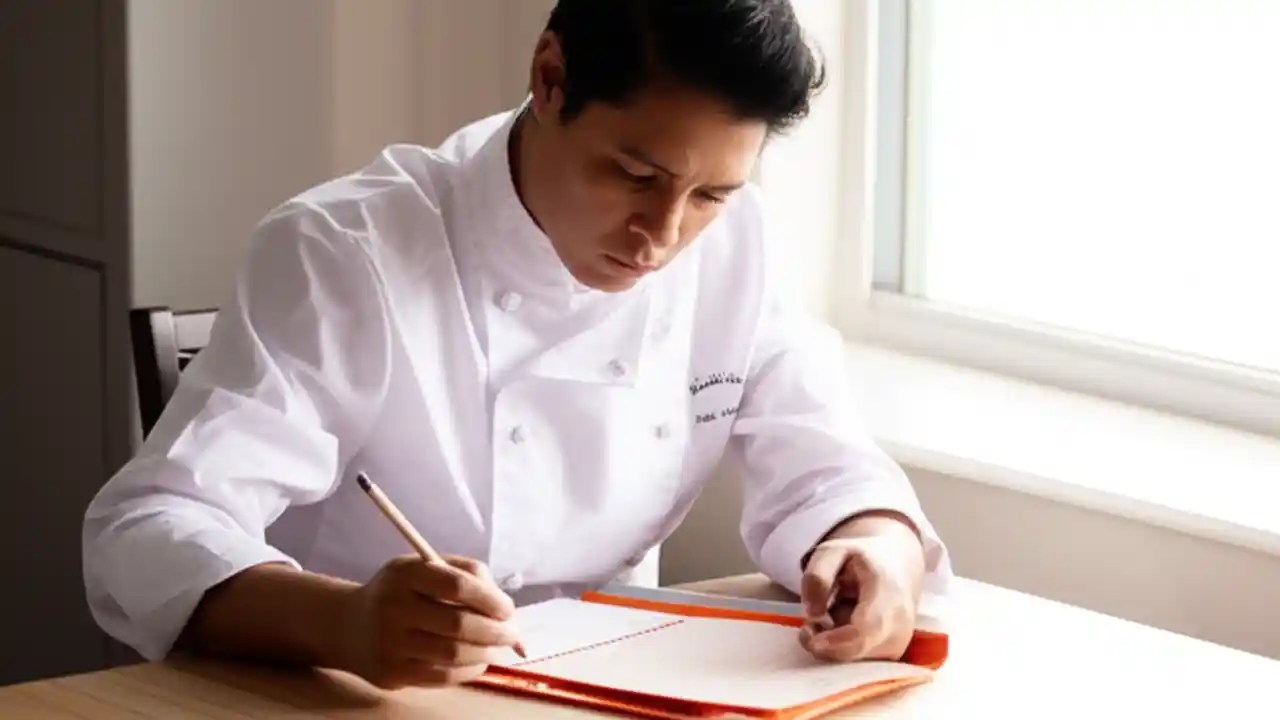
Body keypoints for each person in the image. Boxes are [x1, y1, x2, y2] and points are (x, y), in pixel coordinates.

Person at [84, 0, 951, 690]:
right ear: (549, 77)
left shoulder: (738, 244)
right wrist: (344, 623)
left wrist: (876, 548)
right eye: (636, 176)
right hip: (356, 696)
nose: (663, 234)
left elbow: (830, 463)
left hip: (607, 685)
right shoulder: (346, 252)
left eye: (711, 195)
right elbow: (149, 528)